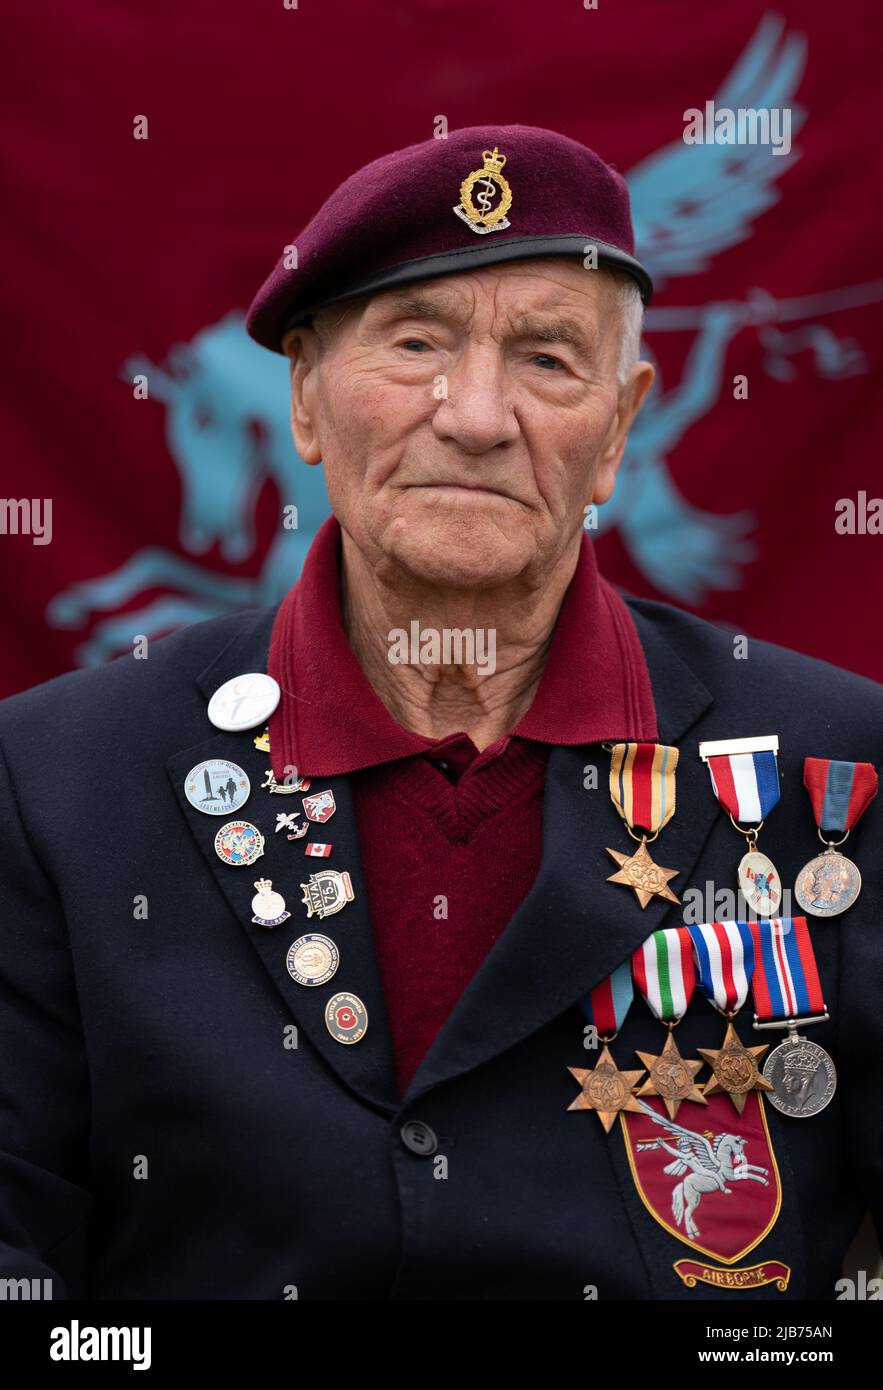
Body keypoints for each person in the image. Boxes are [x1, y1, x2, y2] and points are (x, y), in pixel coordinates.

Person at [0, 125, 880, 1301]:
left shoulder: (838, 769)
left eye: (547, 360)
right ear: (305, 400)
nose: (472, 415)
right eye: (415, 342)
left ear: (619, 430)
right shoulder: (55, 779)